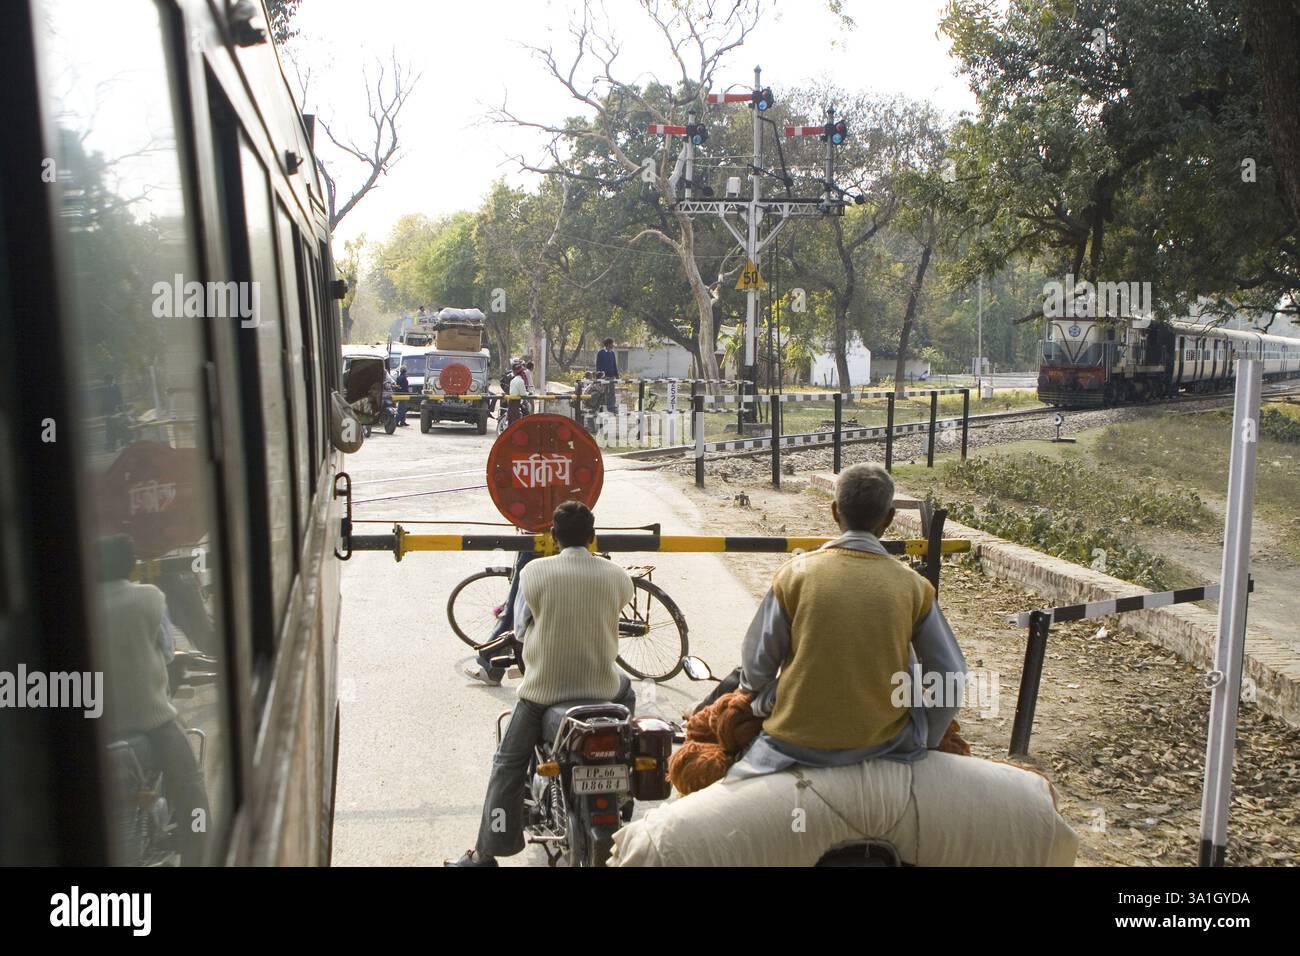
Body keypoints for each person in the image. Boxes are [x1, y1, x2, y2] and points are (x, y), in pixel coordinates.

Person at [731, 462, 966, 779]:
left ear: (834, 512)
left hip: (790, 743)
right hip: (888, 744)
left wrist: (761, 697)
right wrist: (927, 735)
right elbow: (951, 675)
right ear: (889, 519)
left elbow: (756, 669)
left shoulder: (794, 576)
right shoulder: (914, 587)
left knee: (730, 782)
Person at [449, 502, 635, 867]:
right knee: (626, 691)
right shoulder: (618, 576)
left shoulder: (535, 573)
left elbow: (518, 629)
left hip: (543, 693)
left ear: (553, 536)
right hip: (602, 689)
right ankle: (624, 768)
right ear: (593, 536)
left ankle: (486, 853)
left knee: (508, 763)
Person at [97, 534, 211, 865]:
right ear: (130, 565)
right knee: (192, 789)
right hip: (153, 722)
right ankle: (199, 853)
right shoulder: (150, 597)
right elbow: (166, 651)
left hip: (98, 723)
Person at [596, 338, 619, 412]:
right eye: (612, 344)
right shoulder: (601, 353)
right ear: (608, 344)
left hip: (611, 376)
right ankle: (603, 406)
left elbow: (614, 364)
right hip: (604, 377)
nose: (613, 345)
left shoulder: (612, 353)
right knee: (603, 392)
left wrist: (616, 374)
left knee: (612, 392)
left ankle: (611, 407)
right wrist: (599, 375)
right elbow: (598, 365)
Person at [507, 360, 530, 424]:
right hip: (515, 403)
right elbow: (523, 394)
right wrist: (527, 393)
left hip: (511, 402)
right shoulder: (520, 381)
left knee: (511, 420)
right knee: (516, 421)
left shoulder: (513, 380)